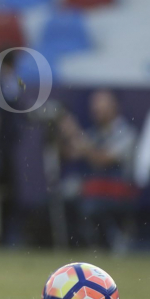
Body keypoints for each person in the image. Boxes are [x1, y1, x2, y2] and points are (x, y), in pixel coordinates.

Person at [59, 90, 138, 253]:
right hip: (94, 190)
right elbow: (69, 153)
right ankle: (80, 245)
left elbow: (103, 159)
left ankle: (108, 242)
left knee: (89, 206)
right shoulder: (94, 133)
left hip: (117, 191)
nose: (97, 110)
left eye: (101, 106)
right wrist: (62, 132)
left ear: (113, 107)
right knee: (63, 198)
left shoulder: (126, 133)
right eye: (95, 106)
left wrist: (77, 135)